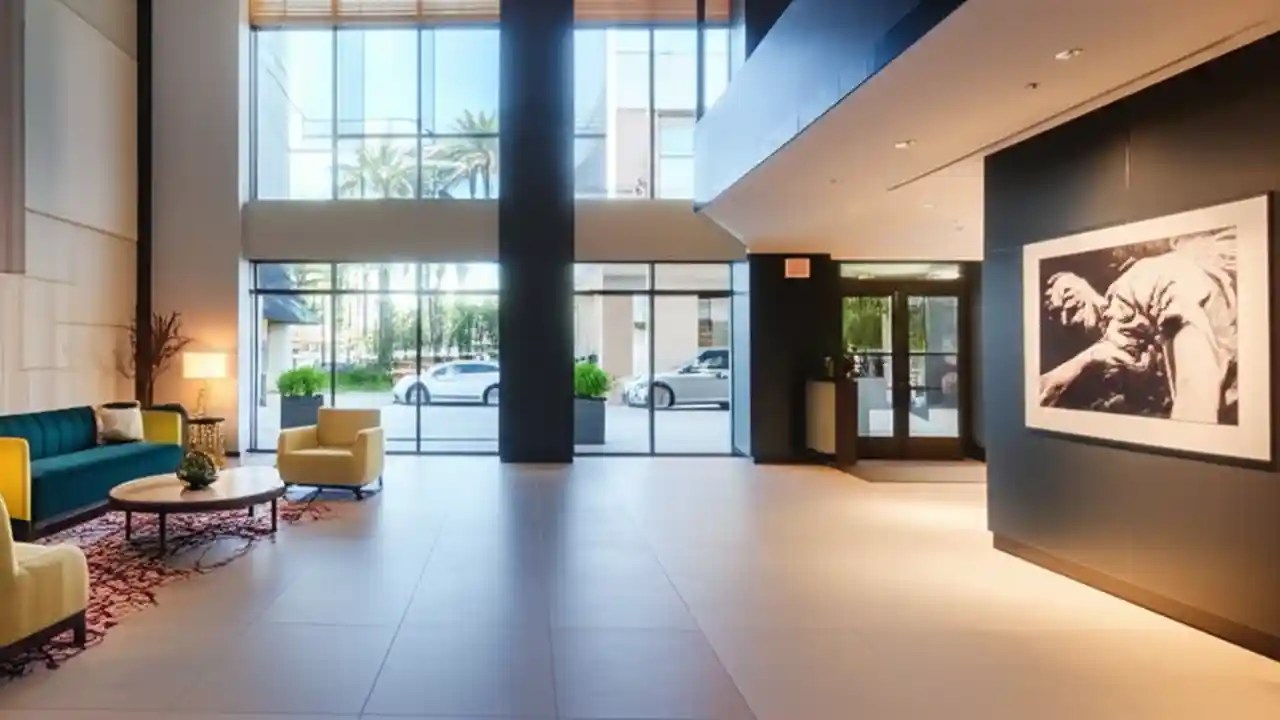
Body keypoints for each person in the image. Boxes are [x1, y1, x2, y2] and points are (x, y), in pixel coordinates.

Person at [1039, 226, 1237, 423]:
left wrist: (1194, 414)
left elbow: (1185, 321)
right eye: (1057, 313)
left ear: (1085, 285)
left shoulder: (1137, 282)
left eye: (1066, 294)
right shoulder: (1110, 344)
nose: (1063, 311)